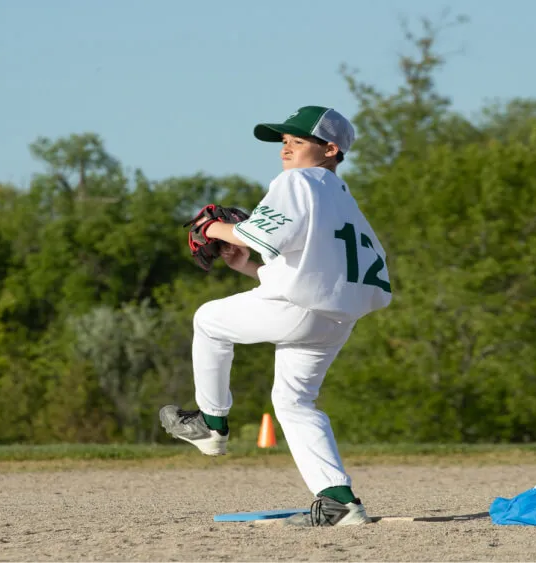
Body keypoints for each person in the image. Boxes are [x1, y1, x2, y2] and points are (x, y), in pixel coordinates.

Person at [159, 105, 393, 527]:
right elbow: (306, 266)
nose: (286, 149)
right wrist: (246, 266)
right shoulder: (342, 200)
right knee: (294, 402)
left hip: (299, 310)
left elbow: (259, 233)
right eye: (284, 142)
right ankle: (340, 502)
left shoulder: (299, 180)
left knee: (208, 321)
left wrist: (210, 228)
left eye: (298, 141)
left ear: (330, 149)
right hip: (334, 318)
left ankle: (211, 424)